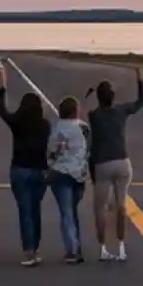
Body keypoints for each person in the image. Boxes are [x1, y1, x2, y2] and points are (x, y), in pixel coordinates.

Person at [0, 61, 51, 266]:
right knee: (35, 210)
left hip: (20, 170)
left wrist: (2, 86)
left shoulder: (17, 122)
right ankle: (34, 246)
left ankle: (29, 250)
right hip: (39, 171)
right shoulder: (45, 125)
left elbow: (2, 110)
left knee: (25, 211)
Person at [88, 65, 143, 262]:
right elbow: (140, 102)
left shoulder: (94, 116)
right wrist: (139, 80)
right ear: (113, 97)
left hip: (103, 163)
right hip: (122, 161)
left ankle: (103, 248)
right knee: (121, 205)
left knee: (100, 208)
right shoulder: (122, 110)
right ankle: (121, 246)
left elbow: (84, 112)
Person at [48, 95, 90, 265]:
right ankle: (76, 245)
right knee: (73, 210)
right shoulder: (84, 128)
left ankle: (72, 249)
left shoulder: (58, 129)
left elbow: (53, 151)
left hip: (61, 173)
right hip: (79, 174)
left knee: (66, 213)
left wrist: (49, 165)